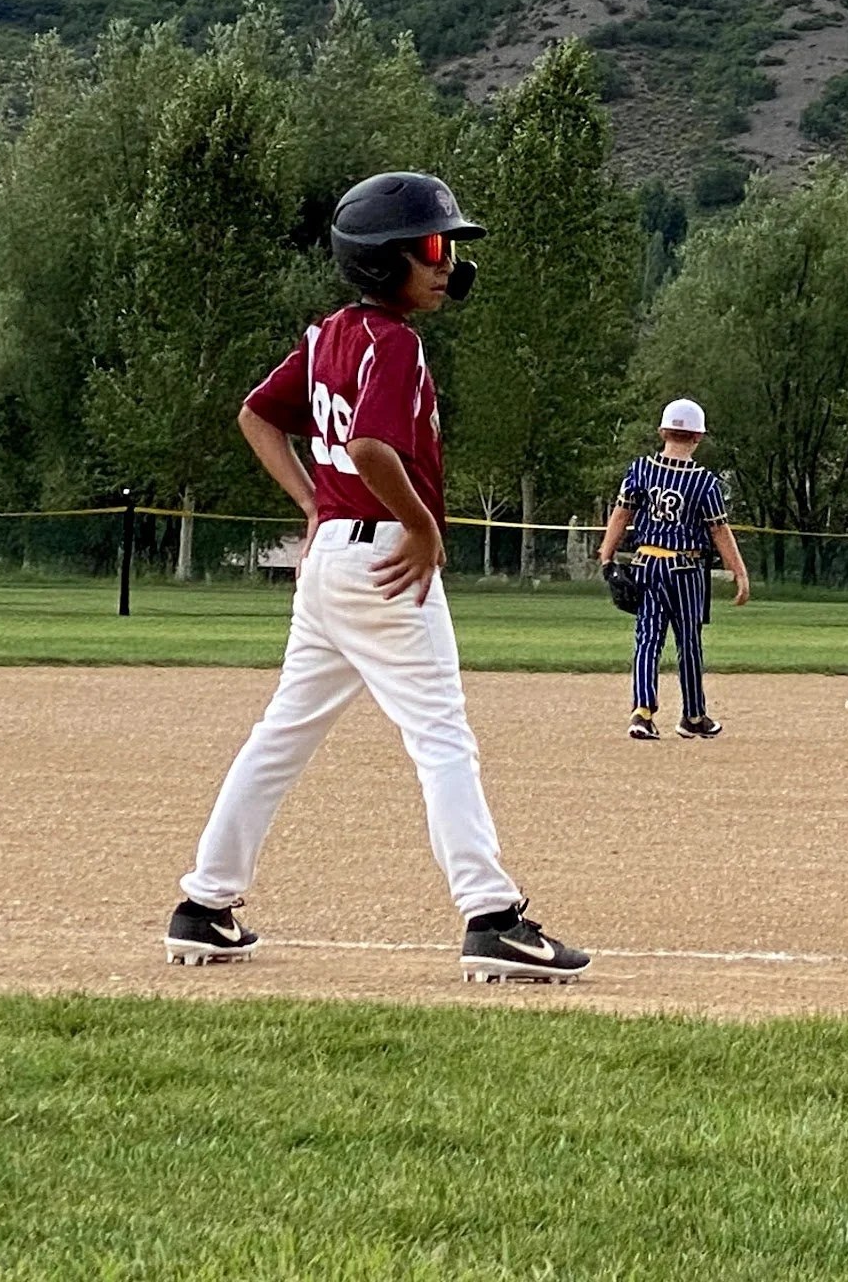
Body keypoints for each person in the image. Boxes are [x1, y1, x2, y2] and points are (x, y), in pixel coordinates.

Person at [163, 172, 590, 983]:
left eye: (448, 249)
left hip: (333, 564)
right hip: (387, 561)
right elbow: (367, 448)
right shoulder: (392, 343)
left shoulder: (327, 336)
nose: (445, 264)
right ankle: (492, 916)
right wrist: (423, 525)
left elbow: (258, 415)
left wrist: (315, 506)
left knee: (282, 735)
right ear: (380, 261)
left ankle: (204, 905)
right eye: (431, 248)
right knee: (440, 738)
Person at [597, 399, 751, 740]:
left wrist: (606, 557)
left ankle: (642, 713)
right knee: (689, 642)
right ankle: (693, 716)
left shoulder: (641, 469)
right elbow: (718, 530)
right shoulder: (704, 482)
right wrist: (738, 571)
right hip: (686, 568)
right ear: (698, 437)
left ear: (663, 431)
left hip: (647, 564)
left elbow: (622, 514)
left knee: (648, 639)